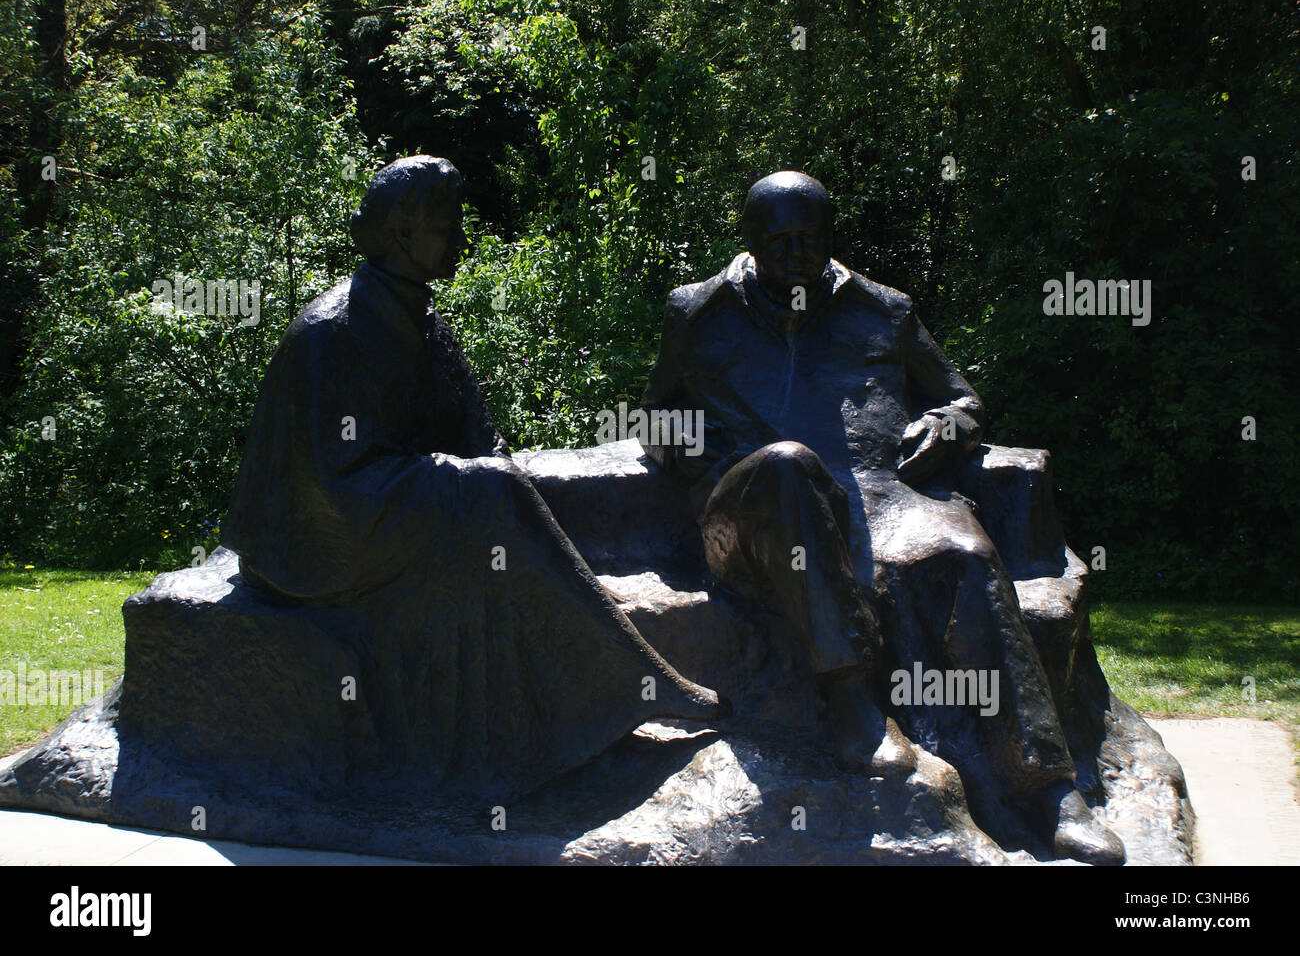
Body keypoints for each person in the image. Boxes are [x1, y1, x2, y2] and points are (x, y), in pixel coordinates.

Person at [639, 170, 1124, 864]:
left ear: (831, 237)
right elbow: (654, 413)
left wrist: (949, 427)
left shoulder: (885, 310)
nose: (796, 252)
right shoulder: (698, 312)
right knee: (784, 462)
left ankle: (1048, 792)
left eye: (810, 238)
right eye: (779, 240)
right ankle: (850, 703)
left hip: (880, 502)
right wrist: (687, 451)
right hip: (749, 515)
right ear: (749, 241)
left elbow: (961, 398)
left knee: (966, 552)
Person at [223, 155, 725, 800]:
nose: (462, 239)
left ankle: (601, 698)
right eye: (449, 224)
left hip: (382, 505)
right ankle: (637, 684)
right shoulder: (332, 331)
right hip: (318, 539)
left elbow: (477, 435)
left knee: (499, 489)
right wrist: (472, 485)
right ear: (404, 234)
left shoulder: (422, 320)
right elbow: (325, 477)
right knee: (487, 494)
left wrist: (492, 477)